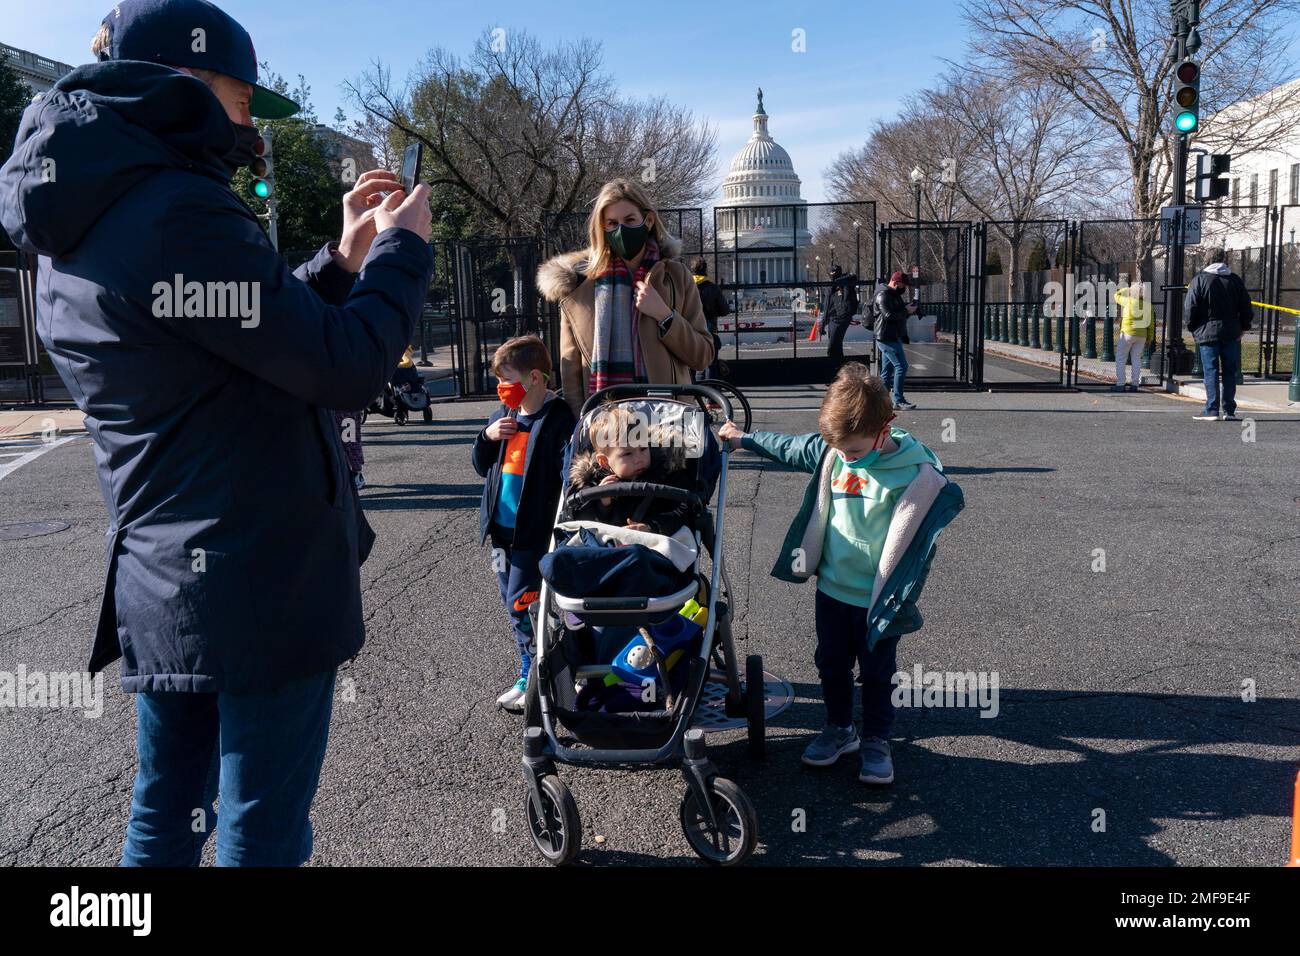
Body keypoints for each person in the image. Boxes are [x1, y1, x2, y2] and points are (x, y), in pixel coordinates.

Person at [0, 0, 434, 866]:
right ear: (189, 83)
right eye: (244, 100)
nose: (252, 124)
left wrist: (340, 261)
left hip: (168, 573)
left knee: (163, 817)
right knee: (261, 831)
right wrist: (402, 252)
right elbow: (345, 365)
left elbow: (231, 334)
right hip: (262, 578)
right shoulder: (179, 211)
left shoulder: (90, 209)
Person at [718, 363, 963, 784]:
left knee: (877, 672)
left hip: (878, 599)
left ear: (885, 429)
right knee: (830, 664)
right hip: (832, 591)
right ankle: (839, 728)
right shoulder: (836, 453)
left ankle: (877, 740)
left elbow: (923, 537)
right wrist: (744, 439)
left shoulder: (915, 472)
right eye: (841, 451)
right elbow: (792, 447)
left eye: (854, 451)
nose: (847, 459)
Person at [536, 178, 715, 418]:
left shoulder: (676, 277)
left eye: (630, 220)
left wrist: (665, 316)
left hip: (667, 420)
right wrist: (582, 425)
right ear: (602, 228)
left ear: (648, 220)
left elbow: (702, 356)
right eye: (612, 223)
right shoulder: (579, 286)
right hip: (604, 426)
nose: (620, 230)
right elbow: (571, 370)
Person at [472, 336, 576, 713]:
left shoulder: (558, 418)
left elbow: (568, 472)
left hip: (534, 533)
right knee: (513, 604)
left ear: (534, 377)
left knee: (523, 603)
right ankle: (532, 668)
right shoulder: (503, 414)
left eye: (507, 378)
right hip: (502, 531)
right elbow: (481, 464)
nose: (501, 387)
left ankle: (535, 672)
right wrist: (487, 436)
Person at [568, 405, 692, 537]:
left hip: (654, 544)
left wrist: (651, 527)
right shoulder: (593, 483)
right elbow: (582, 523)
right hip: (605, 547)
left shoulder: (665, 473)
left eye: (643, 448)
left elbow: (682, 512)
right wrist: (603, 504)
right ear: (604, 461)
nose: (639, 459)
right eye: (627, 454)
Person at [1184, 249, 1253, 421]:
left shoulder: (1199, 280)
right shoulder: (1235, 280)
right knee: (1230, 370)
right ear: (1224, 260)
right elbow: (1246, 306)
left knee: (1211, 370)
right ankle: (1229, 410)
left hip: (1207, 331)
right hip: (1231, 331)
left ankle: (1212, 409)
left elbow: (1190, 307)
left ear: (1207, 260)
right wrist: (1244, 326)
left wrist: (1192, 327)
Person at [873, 271, 918, 410]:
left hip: (891, 335)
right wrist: (906, 311)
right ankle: (898, 400)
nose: (904, 288)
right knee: (901, 366)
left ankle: (881, 402)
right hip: (886, 337)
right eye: (903, 284)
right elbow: (888, 315)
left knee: (887, 370)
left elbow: (897, 314)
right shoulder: (883, 294)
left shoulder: (893, 294)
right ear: (895, 282)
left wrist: (909, 310)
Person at [690, 257, 731, 378]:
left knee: (690, 364)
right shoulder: (713, 288)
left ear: (692, 270)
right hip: (709, 329)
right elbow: (725, 310)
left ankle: (691, 393)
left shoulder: (685, 287)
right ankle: (710, 394)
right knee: (711, 364)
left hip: (690, 330)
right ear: (706, 270)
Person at [1111, 281, 1154, 393]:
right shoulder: (1148, 305)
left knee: (1121, 358)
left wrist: (1127, 289)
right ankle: (1135, 384)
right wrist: (1149, 338)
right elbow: (1151, 324)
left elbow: (1116, 295)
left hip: (1128, 333)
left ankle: (1120, 384)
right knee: (1136, 359)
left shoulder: (1128, 301)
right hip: (1142, 335)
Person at [823, 264, 860, 362]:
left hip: (842, 318)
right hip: (833, 319)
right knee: (835, 346)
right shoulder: (830, 288)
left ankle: (837, 368)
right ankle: (840, 369)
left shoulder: (845, 281)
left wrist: (836, 282)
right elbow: (826, 307)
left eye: (834, 273)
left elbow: (853, 277)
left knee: (832, 347)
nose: (832, 275)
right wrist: (822, 324)